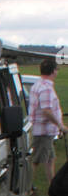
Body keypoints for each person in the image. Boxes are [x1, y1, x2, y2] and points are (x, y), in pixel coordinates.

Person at [29, 58, 63, 187]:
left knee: (50, 159)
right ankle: (27, 188)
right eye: (56, 69)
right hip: (43, 131)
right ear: (53, 71)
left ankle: (52, 185)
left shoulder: (38, 85)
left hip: (43, 132)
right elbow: (46, 111)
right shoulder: (46, 88)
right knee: (35, 161)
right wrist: (60, 125)